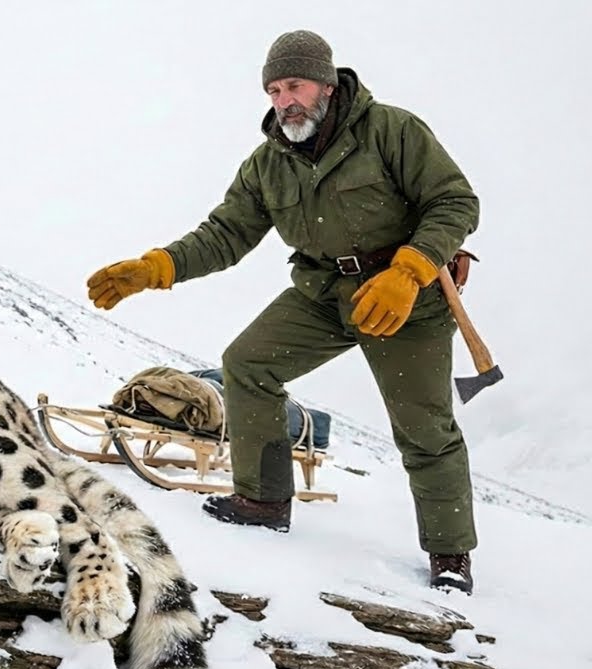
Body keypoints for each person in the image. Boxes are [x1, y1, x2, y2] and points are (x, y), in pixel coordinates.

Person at [85, 30, 480, 594]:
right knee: (248, 364)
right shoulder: (269, 162)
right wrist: (158, 268)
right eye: (273, 90)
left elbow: (456, 201)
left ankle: (449, 553)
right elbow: (225, 233)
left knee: (424, 428)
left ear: (325, 82)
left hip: (405, 298)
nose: (283, 100)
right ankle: (264, 501)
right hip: (323, 292)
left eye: (293, 85)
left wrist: (410, 269)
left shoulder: (392, 130)